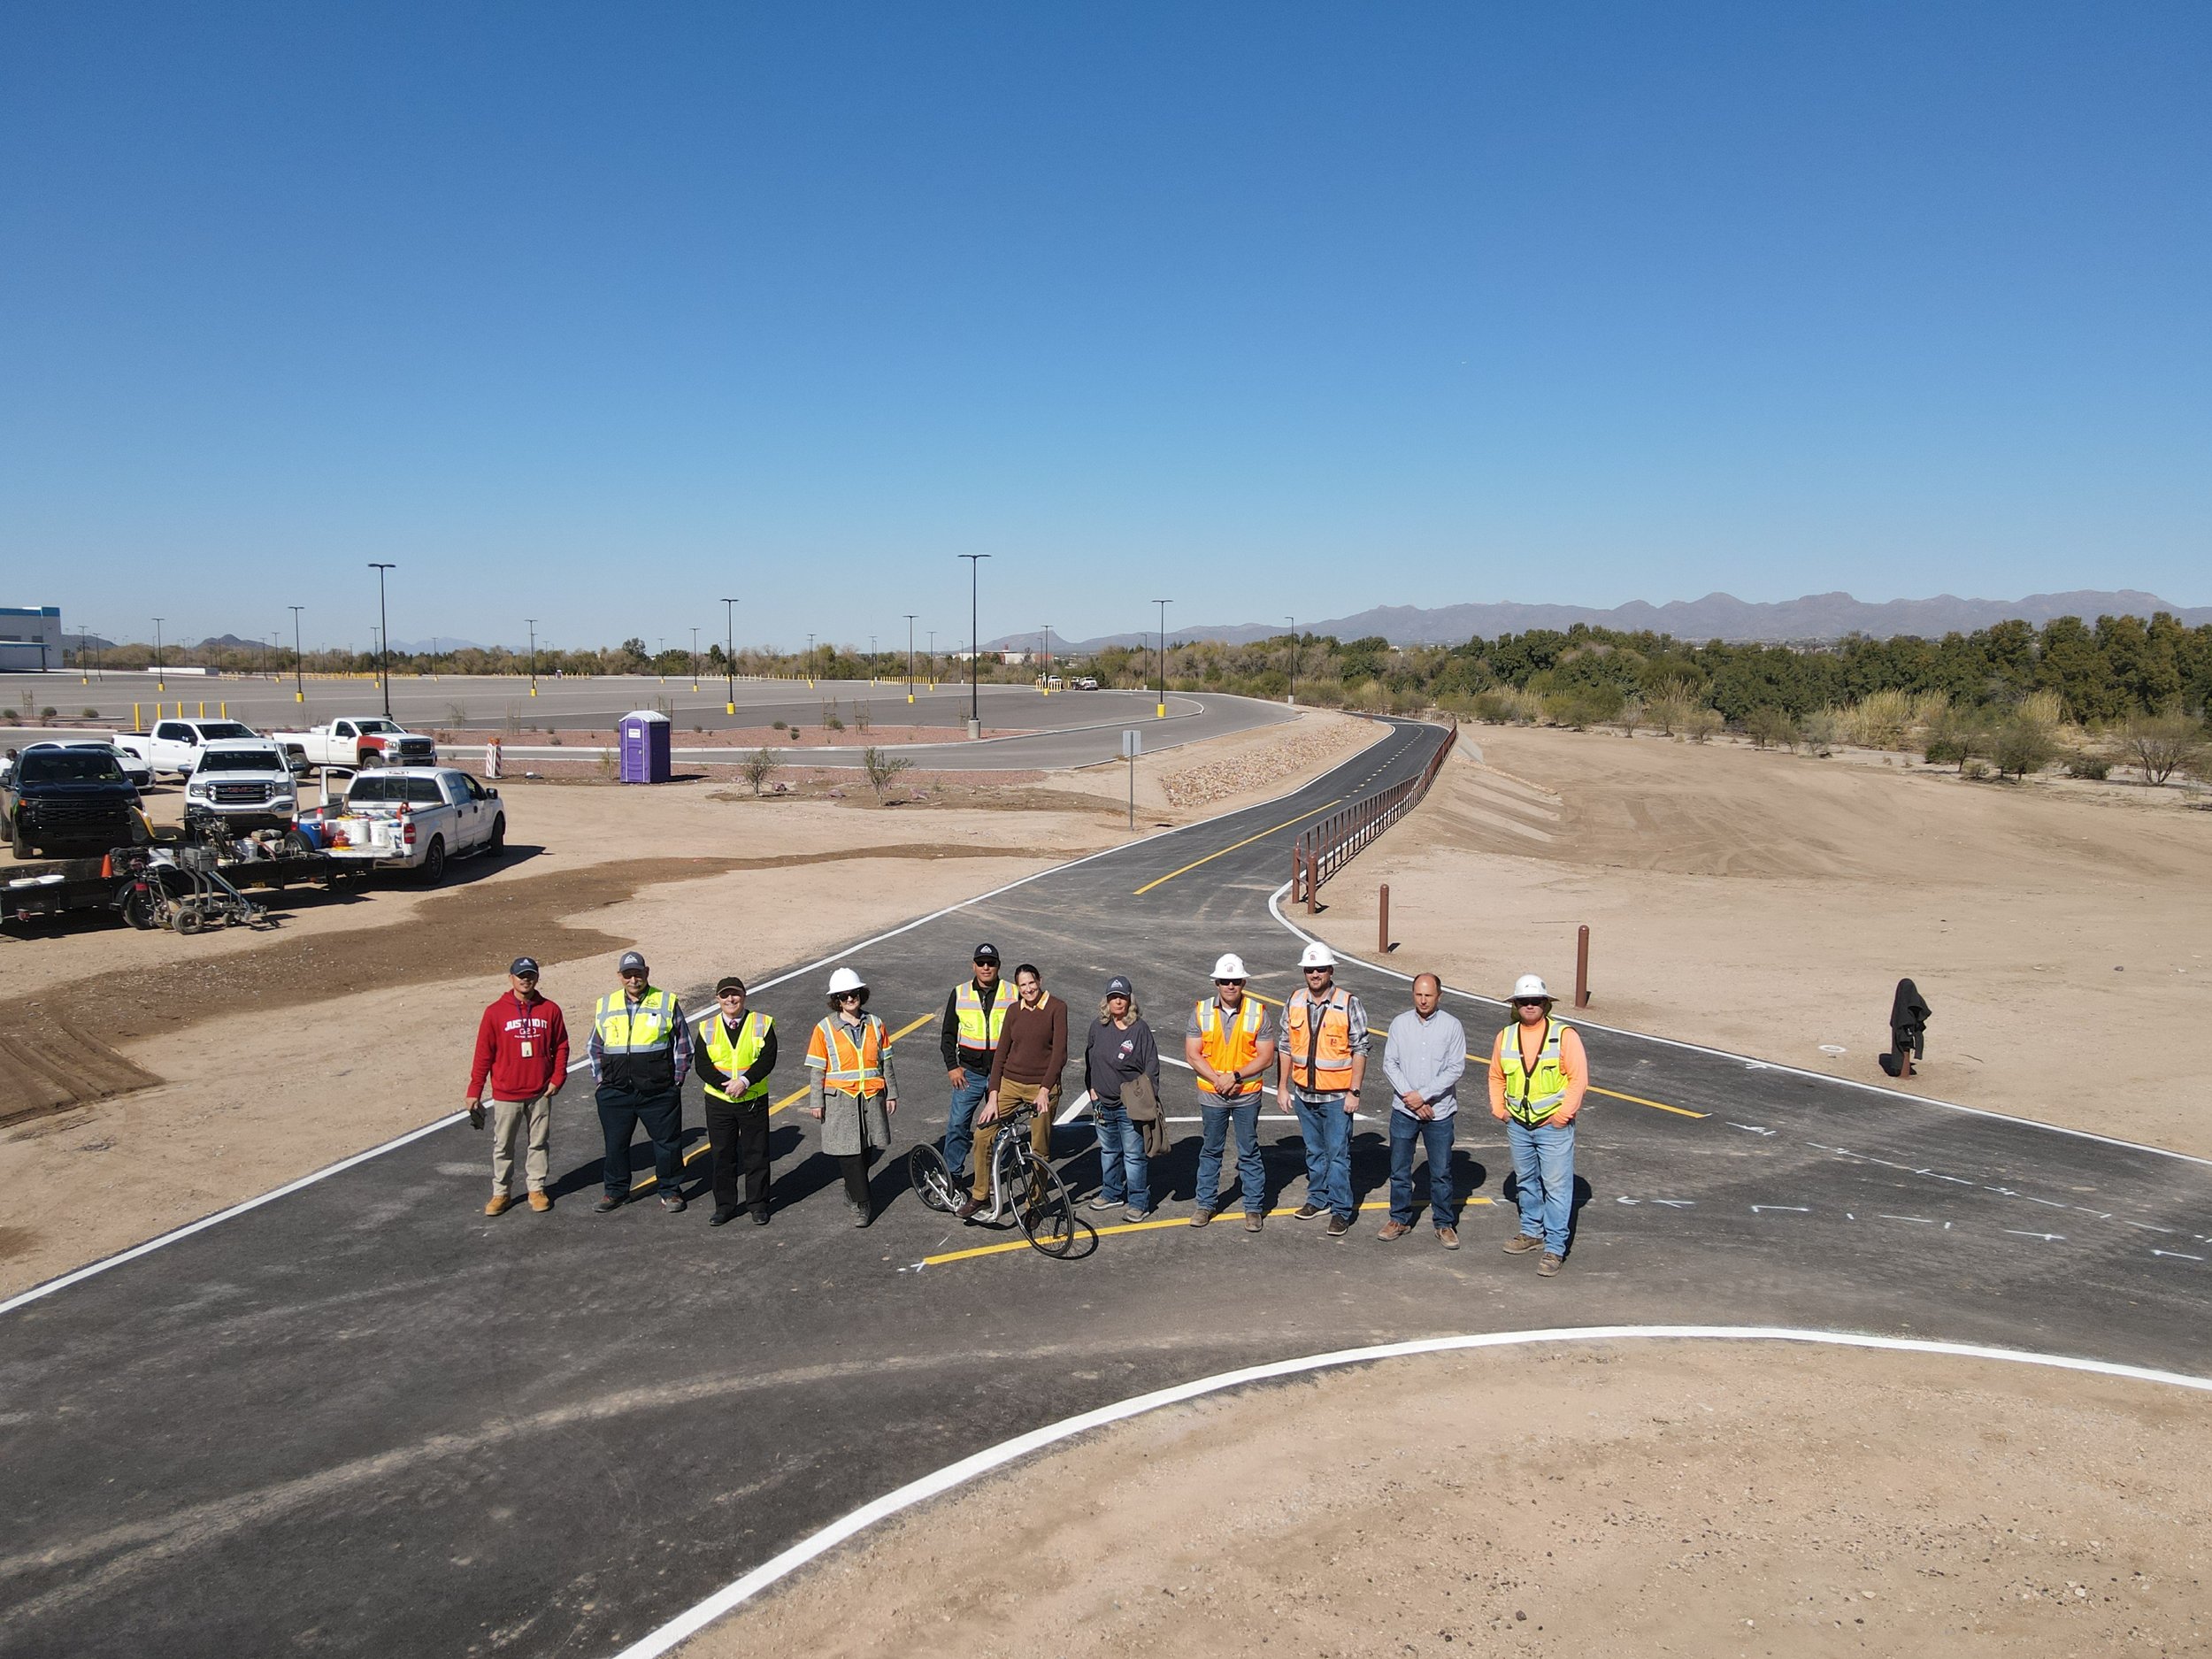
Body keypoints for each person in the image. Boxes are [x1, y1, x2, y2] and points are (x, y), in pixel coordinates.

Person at [1489, 972, 1589, 1275]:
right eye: (1524, 1001)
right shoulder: (1505, 1037)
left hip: (1552, 1126)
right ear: (1515, 1004)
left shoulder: (1564, 1035)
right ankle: (1531, 1231)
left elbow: (1578, 1079)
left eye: (1535, 1001)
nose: (1530, 1005)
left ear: (1546, 1004)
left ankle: (1555, 1248)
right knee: (1526, 1181)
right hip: (1518, 1123)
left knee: (1557, 1188)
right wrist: (1500, 1110)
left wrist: (1562, 1116)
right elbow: (1496, 1075)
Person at [1274, 941, 1369, 1239]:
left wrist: (1354, 1091)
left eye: (1320, 969)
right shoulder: (1295, 1000)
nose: (1314, 974)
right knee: (1314, 1152)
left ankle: (1341, 1210)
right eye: (1310, 969)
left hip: (1337, 1097)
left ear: (1330, 970)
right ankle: (1318, 1198)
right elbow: (1286, 1045)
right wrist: (1282, 1087)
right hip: (1304, 1094)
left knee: (1338, 1155)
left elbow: (1361, 1048)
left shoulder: (1348, 1002)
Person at [465, 956, 570, 1216]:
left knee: (539, 1142)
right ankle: (501, 1192)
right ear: (510, 977)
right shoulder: (494, 1012)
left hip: (540, 1091)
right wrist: (474, 1091)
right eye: (521, 975)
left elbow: (561, 1045)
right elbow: (483, 1054)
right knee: (503, 1145)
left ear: (537, 977)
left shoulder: (550, 1010)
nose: (526, 979)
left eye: (530, 975)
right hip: (506, 1093)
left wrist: (558, 1077)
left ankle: (536, 1188)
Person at [588, 950, 692, 1214]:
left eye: (637, 973)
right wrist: (602, 1082)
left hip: (658, 1091)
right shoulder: (606, 1004)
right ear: (620, 977)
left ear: (647, 973)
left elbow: (683, 1044)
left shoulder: (665, 1001)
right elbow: (595, 1045)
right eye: (628, 975)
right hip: (615, 1091)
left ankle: (670, 1191)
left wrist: (675, 1081)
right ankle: (615, 1191)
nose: (633, 979)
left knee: (667, 1143)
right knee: (615, 1144)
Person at [962, 963, 1067, 1217]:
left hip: (1041, 1086)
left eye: (1031, 983)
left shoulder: (1057, 1008)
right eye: (1023, 985)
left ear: (1039, 980)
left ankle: (1035, 1203)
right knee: (982, 1134)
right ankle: (980, 1195)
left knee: (1039, 1148)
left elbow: (1059, 1054)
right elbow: (1001, 1054)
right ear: (1017, 987)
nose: (1028, 989)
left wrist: (1044, 1090)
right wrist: (994, 1095)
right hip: (1010, 1083)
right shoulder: (1013, 1011)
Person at [1186, 953, 1277, 1232]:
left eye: (1235, 981)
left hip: (1246, 1095)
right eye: (1225, 981)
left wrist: (1235, 1076)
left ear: (1243, 982)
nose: (1230, 986)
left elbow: (1266, 1057)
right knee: (1211, 1150)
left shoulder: (1258, 1012)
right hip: (1213, 1095)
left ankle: (1253, 1208)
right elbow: (1192, 1054)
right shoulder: (1200, 1011)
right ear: (1216, 983)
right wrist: (1218, 1079)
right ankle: (1205, 1205)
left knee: (1248, 1151)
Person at [804, 966, 899, 1225]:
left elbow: (886, 1062)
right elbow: (817, 1068)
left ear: (861, 994)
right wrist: (816, 1101)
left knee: (867, 1147)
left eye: (853, 994)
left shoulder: (876, 1023)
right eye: (843, 996)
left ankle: (853, 1190)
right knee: (849, 1153)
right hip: (840, 1099)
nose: (849, 999)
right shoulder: (824, 1028)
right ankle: (862, 1203)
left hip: (870, 1096)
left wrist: (892, 1094)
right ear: (836, 1000)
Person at [1379, 973, 1468, 1248]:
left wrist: (1424, 1096)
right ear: (1412, 994)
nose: (1423, 1000)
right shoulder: (1400, 1024)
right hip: (1404, 1111)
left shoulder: (1452, 1026)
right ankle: (1399, 1219)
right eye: (1418, 994)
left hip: (1439, 1112)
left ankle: (1444, 1223)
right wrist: (1412, 1098)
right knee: (1400, 1169)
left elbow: (1455, 1068)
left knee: (1441, 1171)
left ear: (1439, 995)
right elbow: (1389, 1064)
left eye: (1428, 995)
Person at [694, 975, 777, 1227]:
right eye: (725, 995)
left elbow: (767, 1058)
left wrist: (745, 1082)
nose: (731, 999)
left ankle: (758, 1204)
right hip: (719, 1101)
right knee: (722, 1155)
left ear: (744, 995)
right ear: (717, 999)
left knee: (757, 1154)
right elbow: (702, 1065)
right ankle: (724, 1206)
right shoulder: (706, 1027)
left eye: (735, 994)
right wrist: (727, 1085)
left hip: (752, 1098)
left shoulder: (762, 1023)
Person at [1083, 976, 1161, 1220]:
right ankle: (1112, 1192)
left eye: (1122, 997)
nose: (1118, 1002)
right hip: (1102, 1102)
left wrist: (1144, 1096)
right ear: (1106, 1001)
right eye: (1113, 997)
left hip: (1129, 1105)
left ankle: (1138, 1201)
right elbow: (1089, 1058)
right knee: (1108, 1151)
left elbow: (1151, 1065)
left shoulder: (1139, 1029)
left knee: (1133, 1154)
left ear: (1130, 1000)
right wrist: (1092, 1089)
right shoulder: (1098, 1026)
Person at [937, 943, 1008, 1187]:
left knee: (998, 1128)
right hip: (969, 1073)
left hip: (1002, 1074)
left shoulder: (1013, 992)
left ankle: (990, 1175)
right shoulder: (960, 993)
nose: (986, 967)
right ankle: (952, 1176)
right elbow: (948, 1034)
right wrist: (952, 1066)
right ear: (973, 965)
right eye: (981, 963)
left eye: (991, 963)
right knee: (958, 1125)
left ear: (999, 965)